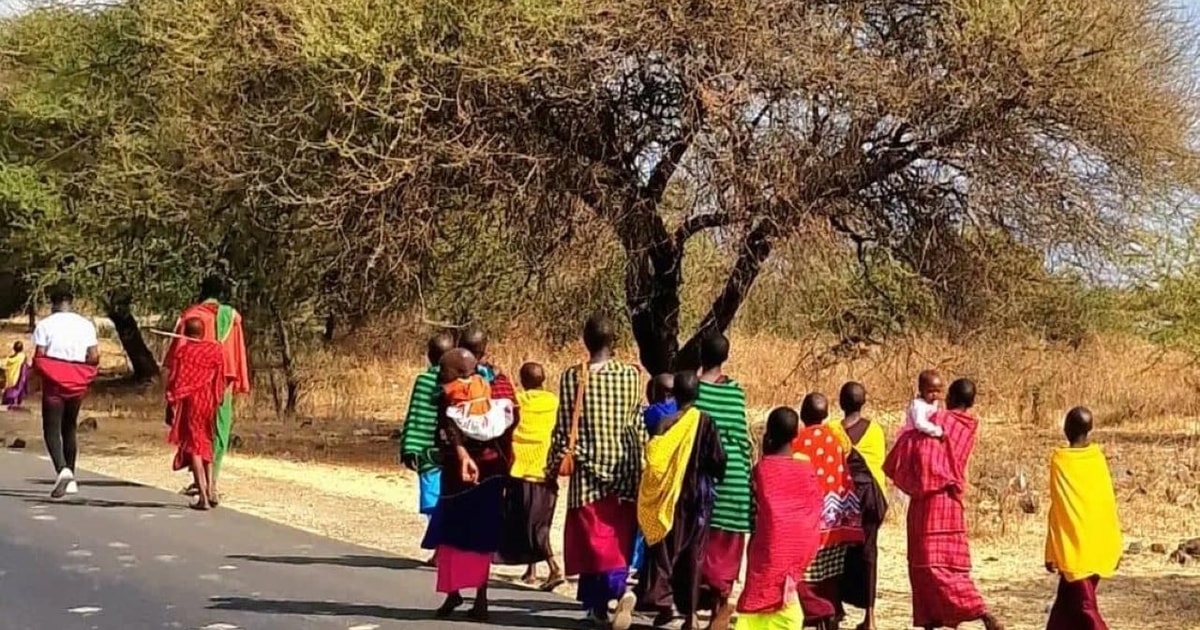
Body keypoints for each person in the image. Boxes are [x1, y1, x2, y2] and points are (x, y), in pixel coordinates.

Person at [883, 378, 1005, 630]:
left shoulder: (940, 421)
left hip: (931, 502)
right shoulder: (967, 426)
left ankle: (981, 611)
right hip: (951, 502)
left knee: (930, 565)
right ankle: (932, 621)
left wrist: (908, 440)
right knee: (944, 565)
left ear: (948, 397)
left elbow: (923, 458)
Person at [549, 314, 644, 630]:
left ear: (585, 342)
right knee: (616, 536)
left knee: (592, 538)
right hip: (626, 468)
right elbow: (636, 421)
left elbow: (564, 426)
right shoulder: (632, 376)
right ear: (613, 341)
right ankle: (597, 607)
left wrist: (552, 465)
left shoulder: (574, 377)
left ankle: (617, 591)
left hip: (588, 470)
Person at [422, 348, 515, 622]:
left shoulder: (448, 393)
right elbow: (512, 420)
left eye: (445, 370)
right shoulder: (494, 387)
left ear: (461, 372)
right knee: (481, 535)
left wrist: (462, 455)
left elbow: (448, 429)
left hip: (459, 475)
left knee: (455, 533)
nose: (441, 375)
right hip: (492, 471)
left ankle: (456, 593)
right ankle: (480, 598)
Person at [635, 371, 727, 630]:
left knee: (666, 551)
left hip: (668, 498)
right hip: (698, 499)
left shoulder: (665, 422)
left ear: (675, 395)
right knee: (694, 557)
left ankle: (665, 605)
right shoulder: (706, 422)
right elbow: (719, 461)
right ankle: (692, 617)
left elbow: (653, 460)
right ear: (697, 395)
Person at [163, 276, 250, 505]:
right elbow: (237, 354)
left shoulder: (191, 316)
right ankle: (212, 485)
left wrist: (171, 397)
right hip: (221, 385)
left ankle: (203, 489)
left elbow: (177, 361)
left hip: (194, 390)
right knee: (217, 432)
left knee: (195, 438)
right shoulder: (232, 318)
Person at [735, 407, 823, 630]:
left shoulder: (762, 470)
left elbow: (753, 511)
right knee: (785, 596)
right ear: (796, 436)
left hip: (767, 549)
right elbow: (815, 509)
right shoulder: (807, 470)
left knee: (760, 594)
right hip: (797, 549)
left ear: (768, 434)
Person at [694, 332, 753, 630]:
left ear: (700, 355)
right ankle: (720, 605)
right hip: (736, 481)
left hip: (703, 482)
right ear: (725, 358)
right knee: (727, 549)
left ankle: (700, 611)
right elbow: (742, 441)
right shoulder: (735, 392)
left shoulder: (694, 393)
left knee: (699, 546)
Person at [1044, 406, 1121, 630]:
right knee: (1065, 609)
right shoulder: (1096, 458)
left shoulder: (1061, 460)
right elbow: (1108, 506)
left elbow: (1059, 510)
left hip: (1076, 549)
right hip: (1089, 545)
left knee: (1086, 608)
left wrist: (1052, 550)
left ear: (1066, 428)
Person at [791, 392, 863, 630]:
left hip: (809, 526)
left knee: (804, 576)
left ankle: (821, 613)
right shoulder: (837, 438)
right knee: (830, 577)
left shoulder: (797, 442)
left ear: (803, 415)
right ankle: (830, 617)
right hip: (837, 522)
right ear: (825, 415)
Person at [498, 362, 565, 590]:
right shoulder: (555, 402)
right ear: (543, 380)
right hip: (546, 468)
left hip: (522, 468)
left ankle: (554, 567)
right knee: (537, 520)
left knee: (532, 524)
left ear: (523, 381)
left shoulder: (517, 401)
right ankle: (531, 569)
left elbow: (506, 429)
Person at [31, 285, 100, 499]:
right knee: (69, 427)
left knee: (51, 428)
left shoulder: (45, 325)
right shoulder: (86, 325)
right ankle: (71, 475)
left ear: (52, 304)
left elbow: (40, 354)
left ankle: (62, 469)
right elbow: (94, 355)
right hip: (77, 381)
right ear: (72, 302)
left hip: (54, 383)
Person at [836, 382, 889, 630]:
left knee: (837, 552)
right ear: (864, 402)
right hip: (870, 496)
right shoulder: (876, 431)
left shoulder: (832, 431)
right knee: (868, 553)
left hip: (842, 498)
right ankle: (870, 617)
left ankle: (835, 609)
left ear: (840, 403)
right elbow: (878, 462)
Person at [401, 332, 456, 566]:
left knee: (433, 500)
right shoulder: (462, 381)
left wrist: (409, 447)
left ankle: (442, 549)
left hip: (429, 454)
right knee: (449, 499)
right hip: (455, 453)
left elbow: (415, 418)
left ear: (429, 356)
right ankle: (443, 549)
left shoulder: (424, 381)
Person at [164, 318, 225, 510]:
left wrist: (170, 402)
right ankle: (211, 489)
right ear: (203, 331)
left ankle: (203, 497)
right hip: (210, 402)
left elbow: (176, 380)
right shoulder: (215, 351)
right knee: (205, 442)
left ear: (185, 333)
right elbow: (220, 379)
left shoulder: (184, 353)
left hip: (192, 403)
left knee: (195, 447)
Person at [632, 372, 677, 576]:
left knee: (645, 521)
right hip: (675, 475)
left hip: (653, 473)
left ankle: (638, 565)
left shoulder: (651, 413)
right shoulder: (681, 413)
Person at [903, 369, 945, 438]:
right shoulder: (918, 404)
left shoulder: (935, 403)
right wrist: (937, 431)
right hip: (914, 437)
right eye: (930, 391)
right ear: (921, 389)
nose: (934, 394)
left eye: (937, 391)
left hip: (928, 434)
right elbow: (920, 423)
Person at [3, 340, 29, 410]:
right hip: (19, 377)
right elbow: (25, 367)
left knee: (10, 390)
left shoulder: (9, 359)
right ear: (22, 348)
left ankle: (10, 402)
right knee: (18, 390)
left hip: (11, 377)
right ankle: (16, 403)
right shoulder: (23, 357)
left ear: (14, 348)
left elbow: (5, 365)